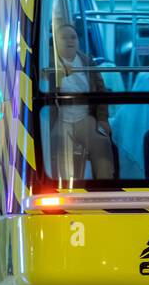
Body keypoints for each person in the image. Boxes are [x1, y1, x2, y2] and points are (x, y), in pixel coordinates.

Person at [49, 23, 115, 180]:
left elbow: (101, 90)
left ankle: (105, 187)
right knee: (54, 146)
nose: (69, 41)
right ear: (55, 41)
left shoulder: (86, 60)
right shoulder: (48, 61)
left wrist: (102, 119)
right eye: (64, 37)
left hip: (83, 118)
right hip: (59, 118)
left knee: (102, 143)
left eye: (73, 37)